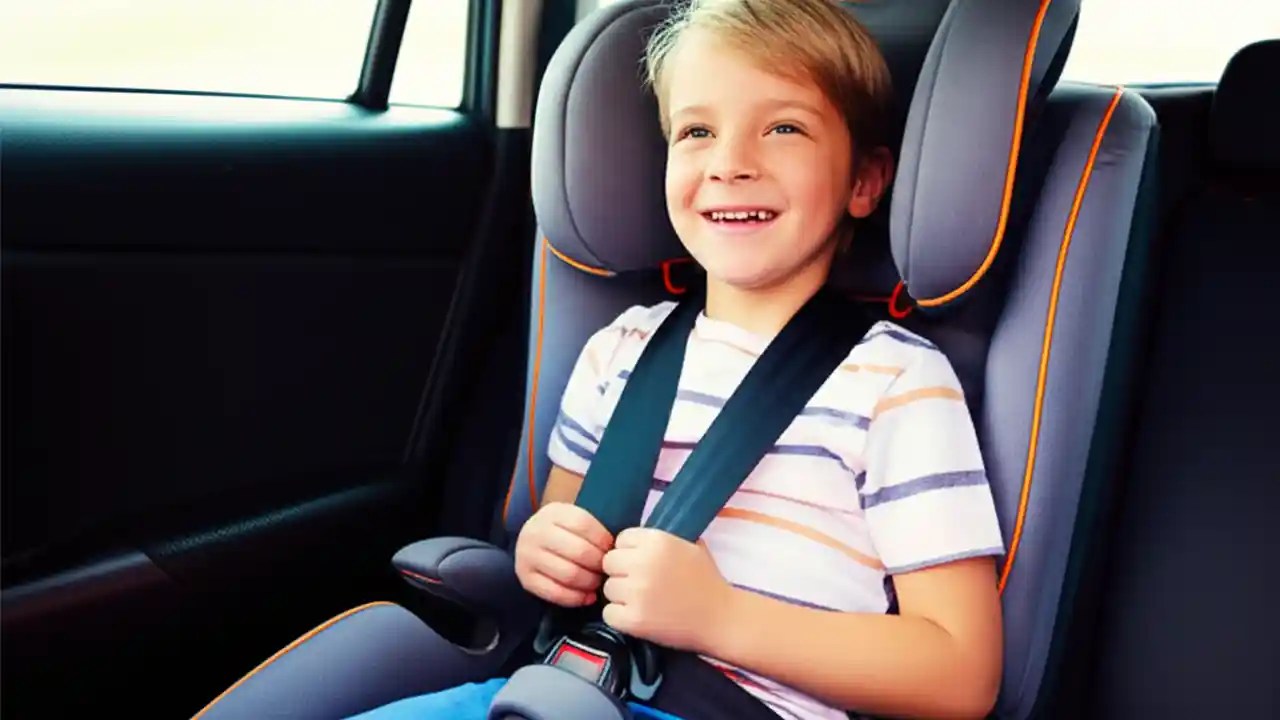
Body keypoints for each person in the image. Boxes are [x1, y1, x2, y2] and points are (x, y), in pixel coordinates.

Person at [349, 0, 1005, 718]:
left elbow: (959, 673)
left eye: (783, 128)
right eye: (696, 131)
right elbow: (563, 523)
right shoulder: (620, 350)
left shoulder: (898, 383)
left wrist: (720, 618)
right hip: (552, 686)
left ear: (864, 182)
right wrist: (545, 551)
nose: (730, 164)